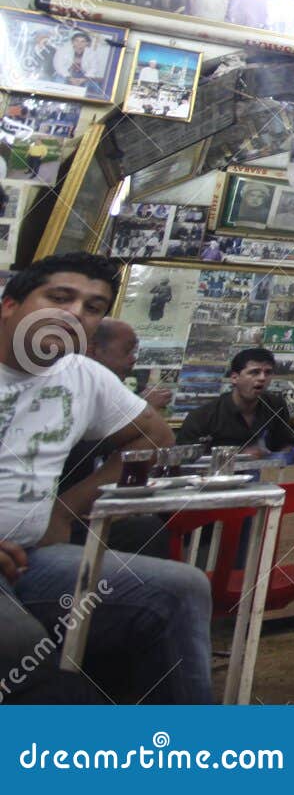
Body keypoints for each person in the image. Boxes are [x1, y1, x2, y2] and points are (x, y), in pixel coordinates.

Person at [0, 254, 213, 704]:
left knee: (179, 589)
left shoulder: (82, 377)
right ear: (10, 304)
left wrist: (66, 508)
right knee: (18, 646)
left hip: (30, 560)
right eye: (60, 297)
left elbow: (154, 437)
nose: (76, 313)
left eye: (93, 307)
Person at [50, 318, 175, 553]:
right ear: (93, 349)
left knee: (146, 530)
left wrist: (65, 511)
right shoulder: (63, 387)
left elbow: (159, 437)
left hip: (69, 518)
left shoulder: (103, 392)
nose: (133, 359)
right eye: (127, 350)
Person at [175, 348, 294, 454]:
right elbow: (185, 459)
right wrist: (240, 456)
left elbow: (285, 444)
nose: (262, 378)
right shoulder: (203, 416)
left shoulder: (276, 406)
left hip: (266, 474)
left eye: (268, 372)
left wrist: (290, 452)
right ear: (234, 378)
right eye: (254, 372)